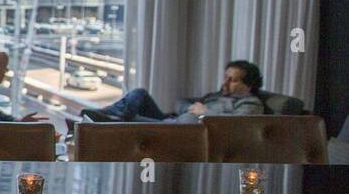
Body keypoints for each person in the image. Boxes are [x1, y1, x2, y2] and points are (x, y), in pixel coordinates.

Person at [84, 60, 266, 123]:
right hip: (172, 119)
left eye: (232, 80)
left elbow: (237, 125)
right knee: (139, 93)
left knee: (129, 120)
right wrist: (191, 108)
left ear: (248, 86)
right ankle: (112, 115)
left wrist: (205, 112)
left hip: (178, 132)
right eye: (225, 77)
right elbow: (180, 103)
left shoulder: (250, 103)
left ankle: (106, 117)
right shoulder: (217, 96)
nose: (225, 82)